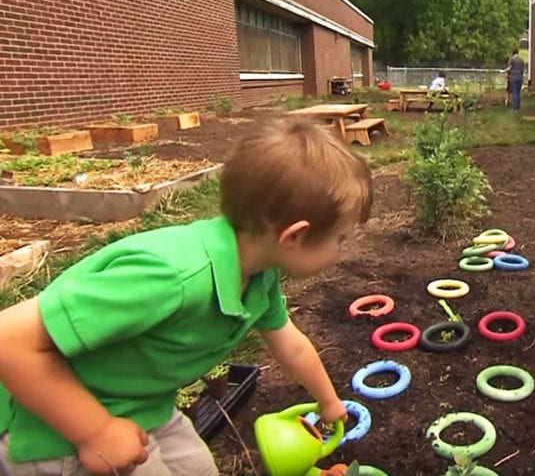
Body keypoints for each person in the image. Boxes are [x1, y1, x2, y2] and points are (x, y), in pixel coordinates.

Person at [0, 118, 373, 475]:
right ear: (293, 236)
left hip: (145, 406)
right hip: (56, 427)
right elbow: (8, 340)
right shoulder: (171, 277)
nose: (342, 249)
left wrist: (328, 401)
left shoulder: (260, 273)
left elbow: (290, 343)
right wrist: (95, 431)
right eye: (339, 239)